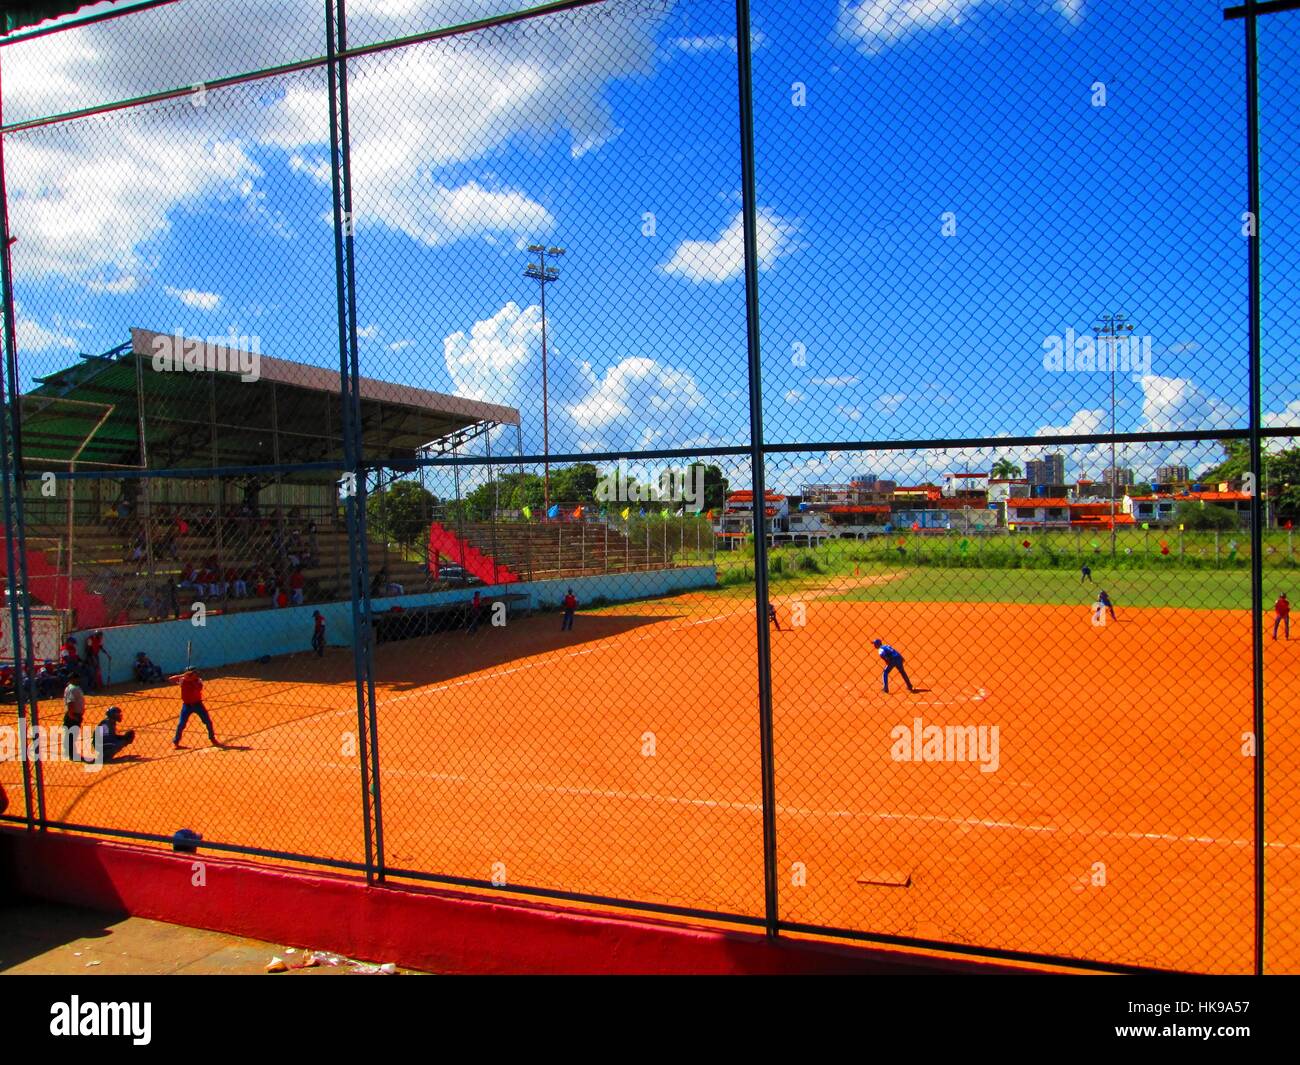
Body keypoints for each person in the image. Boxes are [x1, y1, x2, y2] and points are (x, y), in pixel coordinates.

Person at [169, 668, 220, 749]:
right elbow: (170, 679)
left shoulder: (198, 680)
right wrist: (183, 676)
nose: (195, 674)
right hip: (187, 705)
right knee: (181, 724)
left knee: (208, 722)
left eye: (195, 673)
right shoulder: (183, 680)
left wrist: (191, 680)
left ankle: (212, 738)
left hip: (198, 705)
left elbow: (197, 688)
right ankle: (176, 742)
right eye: (193, 673)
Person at [62, 680, 86, 761]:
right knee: (71, 735)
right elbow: (70, 703)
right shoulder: (72, 689)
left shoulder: (73, 688)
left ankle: (69, 752)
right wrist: (71, 715)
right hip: (73, 715)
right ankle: (72, 755)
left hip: (74, 715)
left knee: (71, 735)